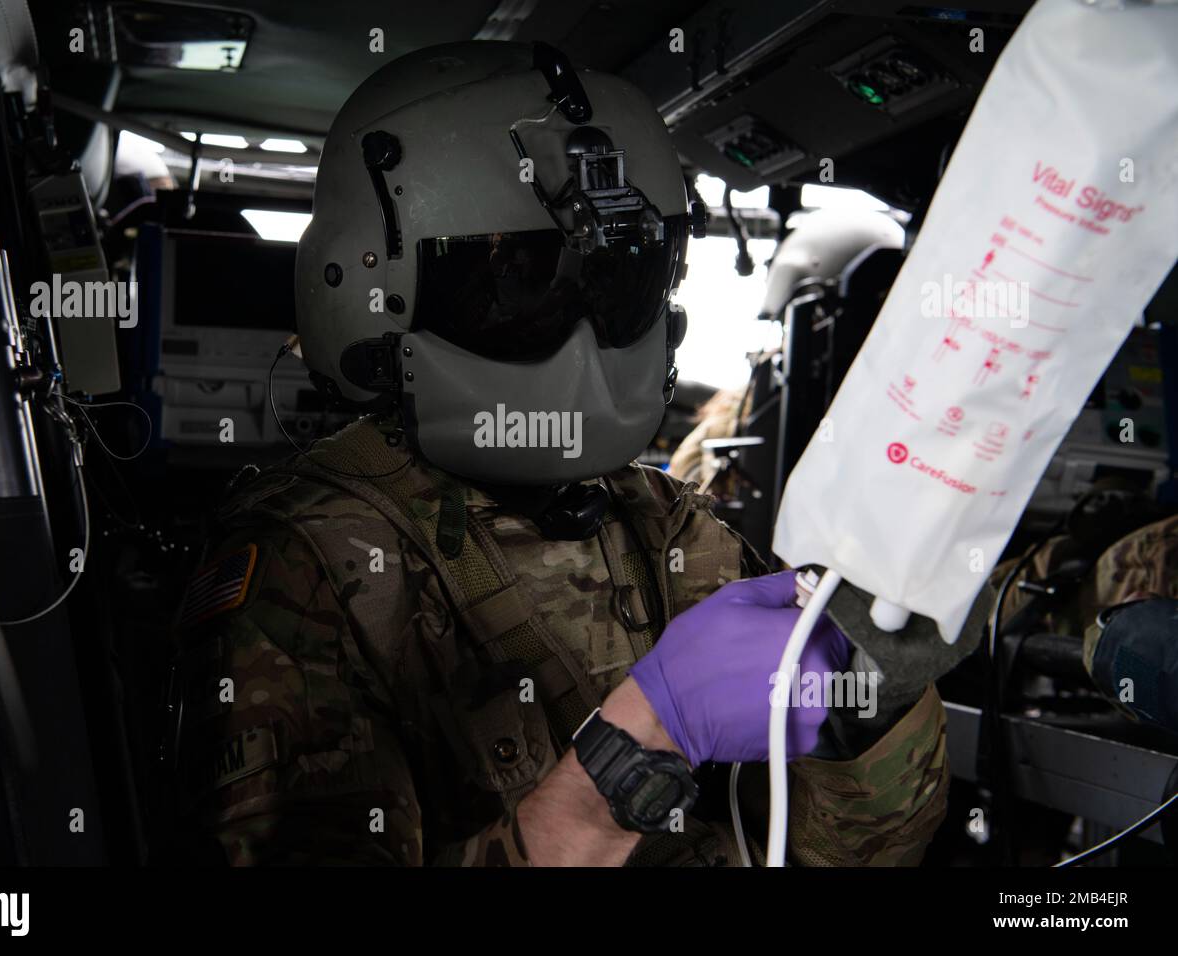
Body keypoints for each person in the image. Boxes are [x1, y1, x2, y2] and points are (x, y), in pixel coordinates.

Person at [169, 40, 980, 866]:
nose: (583, 341)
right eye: (516, 282)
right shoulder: (309, 567)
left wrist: (869, 710)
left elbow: (850, 855)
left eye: (617, 280)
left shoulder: (666, 527)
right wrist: (630, 760)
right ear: (373, 291)